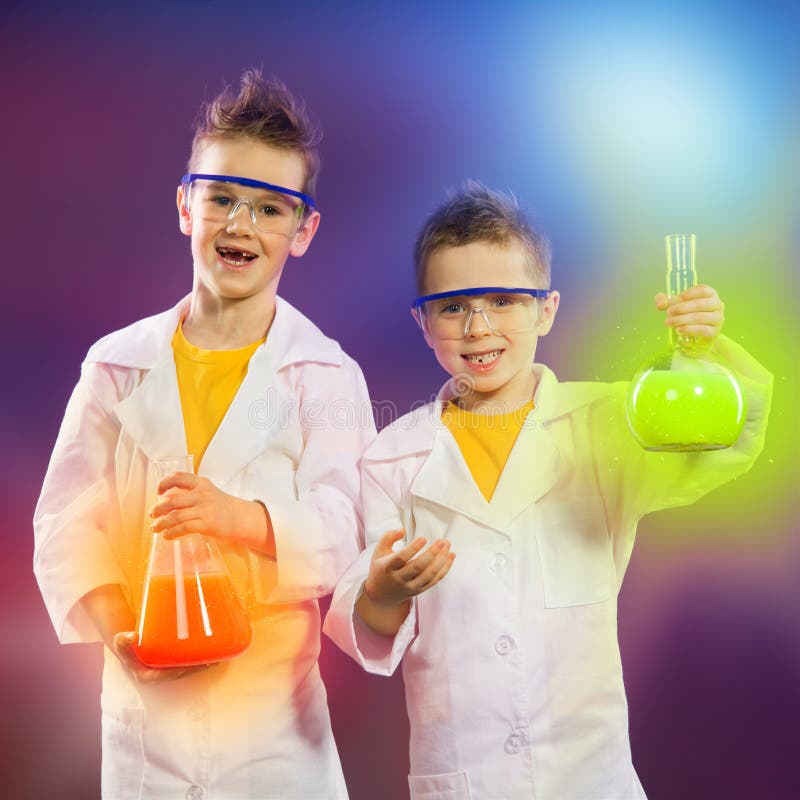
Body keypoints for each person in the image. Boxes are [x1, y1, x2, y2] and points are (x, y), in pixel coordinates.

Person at [323, 182, 772, 799]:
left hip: (589, 778)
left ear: (546, 309)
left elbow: (724, 436)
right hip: (465, 779)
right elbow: (368, 626)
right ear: (422, 322)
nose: (478, 327)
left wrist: (705, 347)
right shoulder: (392, 459)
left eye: (504, 300)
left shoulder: (611, 422)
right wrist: (383, 588)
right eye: (452, 307)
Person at [33, 69, 374, 799]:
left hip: (275, 737)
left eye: (271, 208)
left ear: (303, 230)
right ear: (187, 205)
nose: (240, 225)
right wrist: (120, 630)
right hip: (146, 733)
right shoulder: (116, 365)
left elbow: (347, 529)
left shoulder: (324, 375)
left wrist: (238, 519)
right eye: (220, 196)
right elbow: (64, 521)